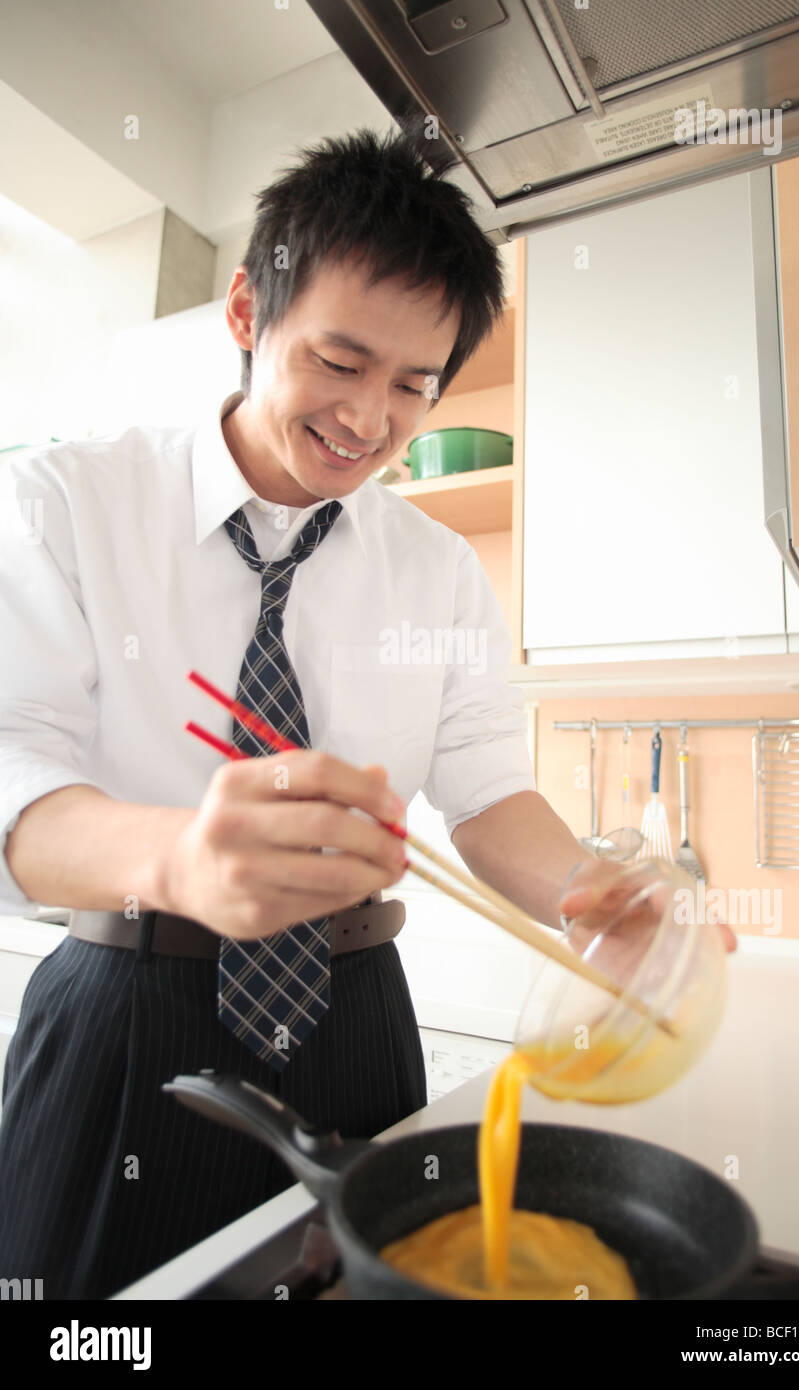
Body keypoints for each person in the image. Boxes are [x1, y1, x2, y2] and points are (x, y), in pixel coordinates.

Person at [0, 125, 734, 1300]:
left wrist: (588, 897)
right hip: (124, 1014)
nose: (371, 418)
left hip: (354, 1017)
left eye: (413, 385)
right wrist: (181, 857)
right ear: (246, 311)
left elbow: (486, 787)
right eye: (339, 362)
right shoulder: (64, 501)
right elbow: (13, 774)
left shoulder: (434, 568)